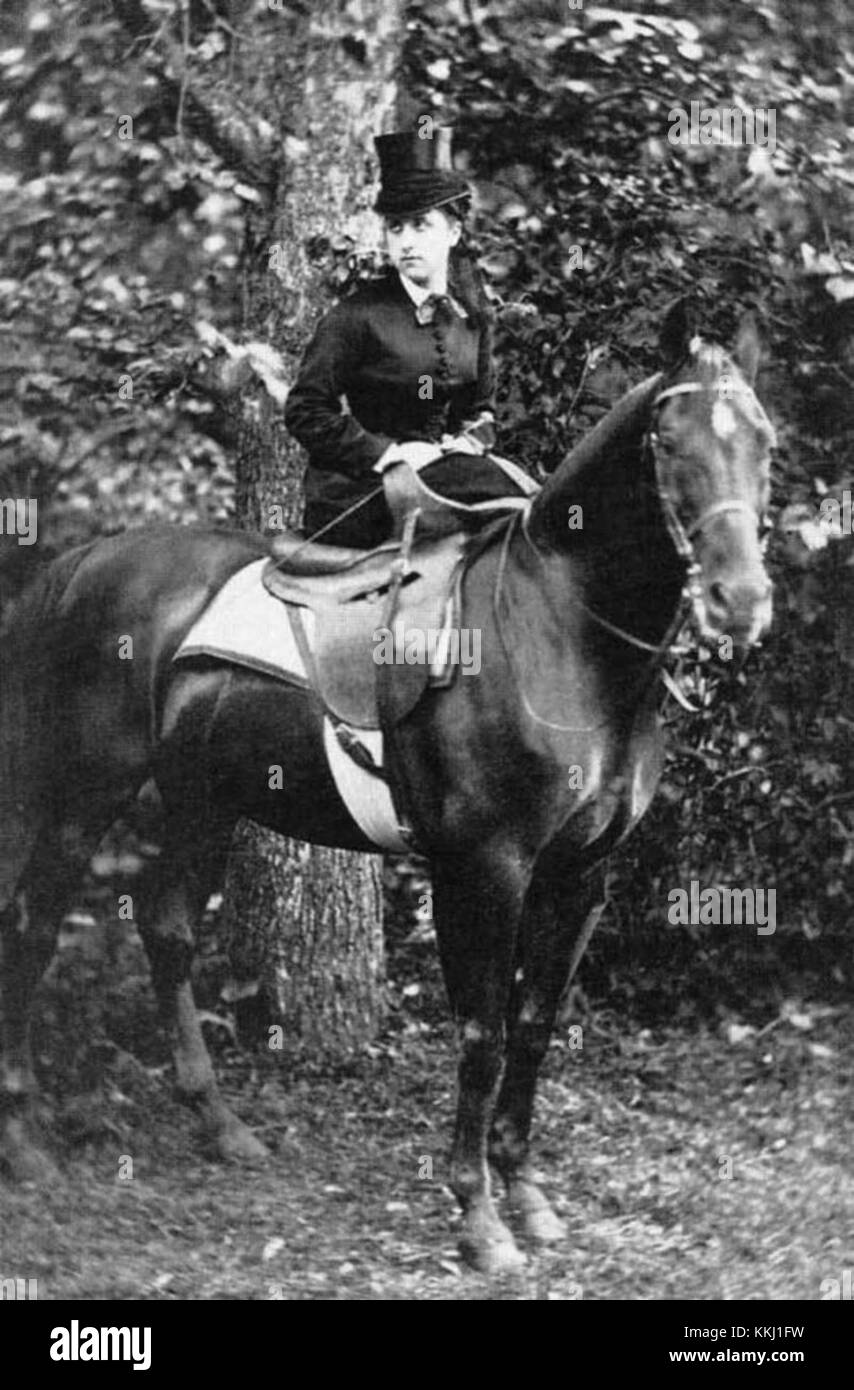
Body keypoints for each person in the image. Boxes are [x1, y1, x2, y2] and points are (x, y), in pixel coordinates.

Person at [283, 125, 535, 549]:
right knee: (510, 501)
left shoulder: (473, 316)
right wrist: (389, 454)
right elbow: (305, 411)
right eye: (396, 228)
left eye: (421, 226)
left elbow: (483, 410)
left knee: (528, 503)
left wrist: (463, 443)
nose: (407, 242)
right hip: (360, 492)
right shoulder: (357, 316)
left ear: (453, 233)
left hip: (449, 475)